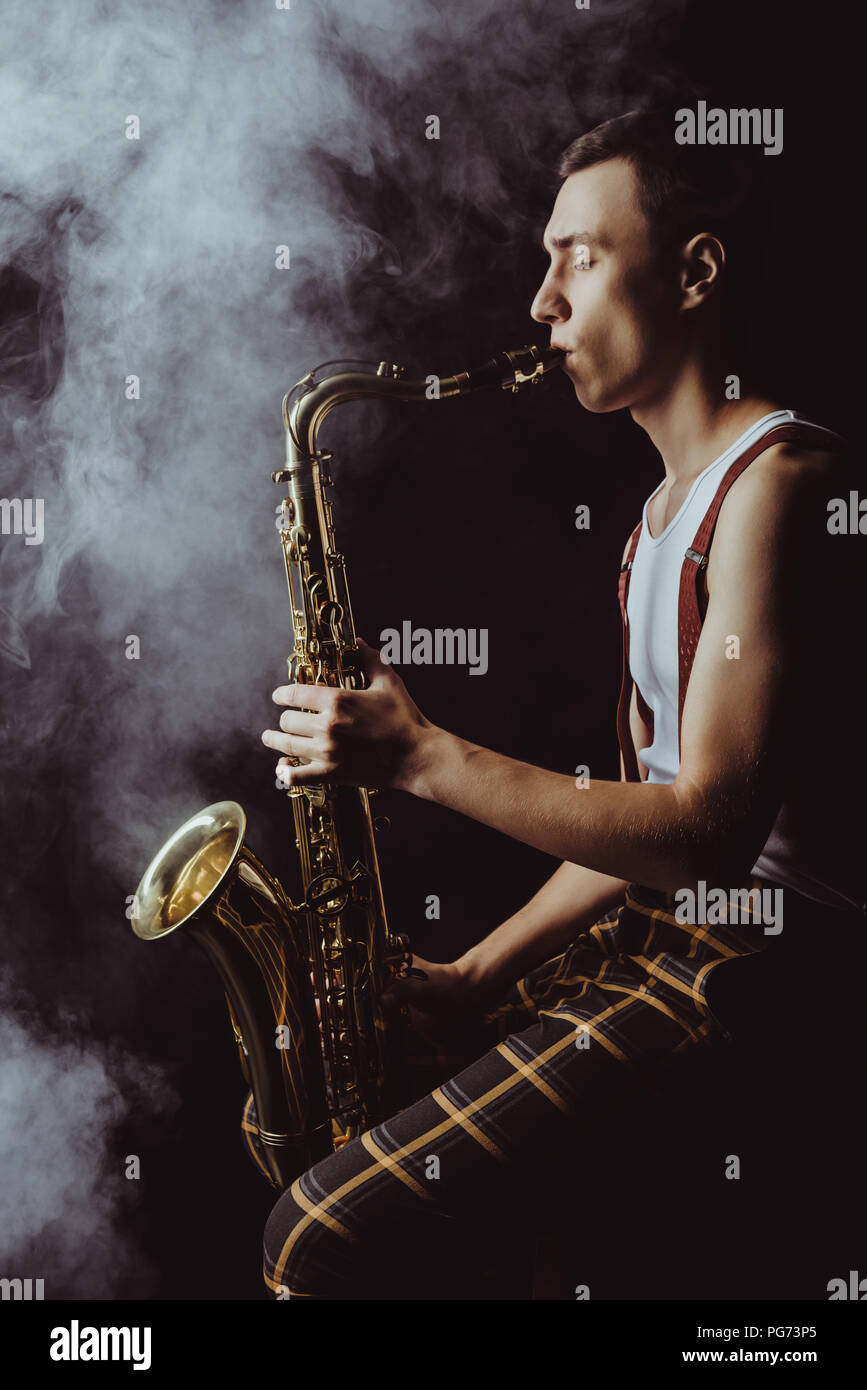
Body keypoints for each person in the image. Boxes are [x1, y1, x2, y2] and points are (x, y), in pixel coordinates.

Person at [255, 109, 865, 1300]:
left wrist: (423, 757)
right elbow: (642, 808)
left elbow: (707, 833)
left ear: (694, 270)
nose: (542, 302)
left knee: (312, 1240)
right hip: (679, 943)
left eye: (578, 255)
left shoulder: (785, 483)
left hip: (779, 968)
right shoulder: (652, 527)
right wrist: (477, 974)